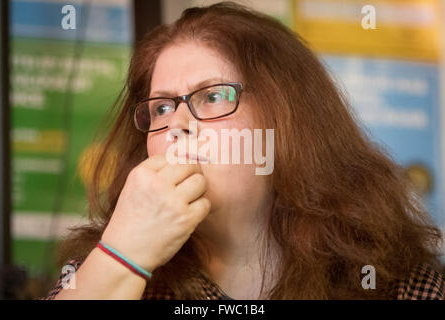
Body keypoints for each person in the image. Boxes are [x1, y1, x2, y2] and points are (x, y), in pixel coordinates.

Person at [42, 2, 444, 300]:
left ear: (287, 118)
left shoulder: (396, 282)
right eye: (162, 107)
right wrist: (122, 254)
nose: (178, 123)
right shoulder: (99, 269)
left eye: (213, 95)